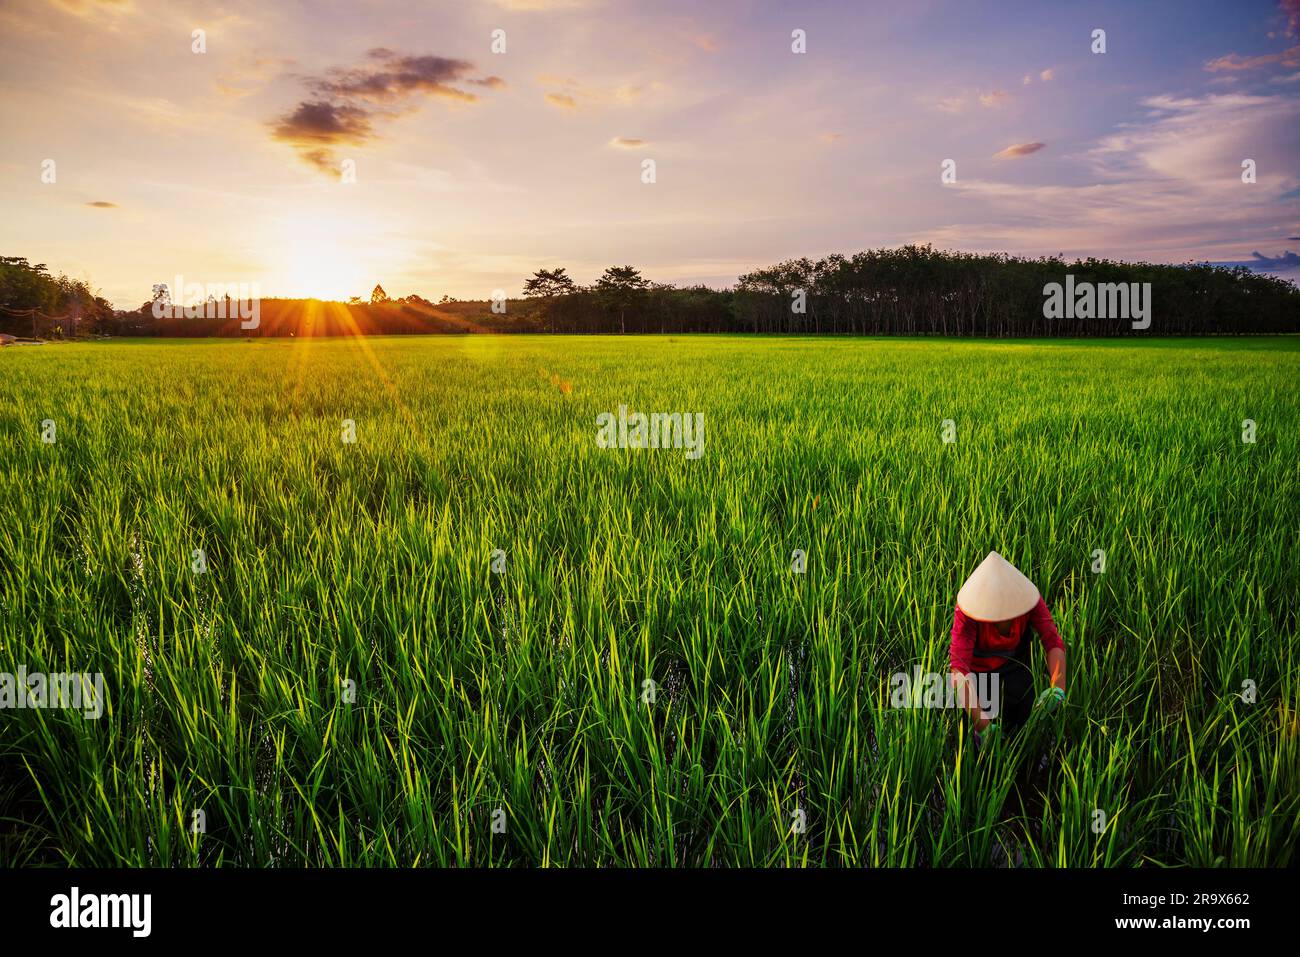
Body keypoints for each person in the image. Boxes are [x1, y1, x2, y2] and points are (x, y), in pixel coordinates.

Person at [948, 551, 1067, 748]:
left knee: (1026, 729)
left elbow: (1052, 640)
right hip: (979, 675)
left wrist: (1057, 687)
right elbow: (959, 670)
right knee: (976, 744)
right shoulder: (967, 613)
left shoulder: (1030, 602)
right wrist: (982, 724)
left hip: (1016, 666)